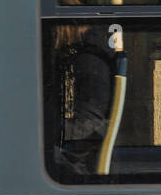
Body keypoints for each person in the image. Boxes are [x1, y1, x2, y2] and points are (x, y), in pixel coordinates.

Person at [46, 23, 118, 183]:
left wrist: (46, 140)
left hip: (77, 162)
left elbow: (88, 124)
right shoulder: (75, 57)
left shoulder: (87, 59)